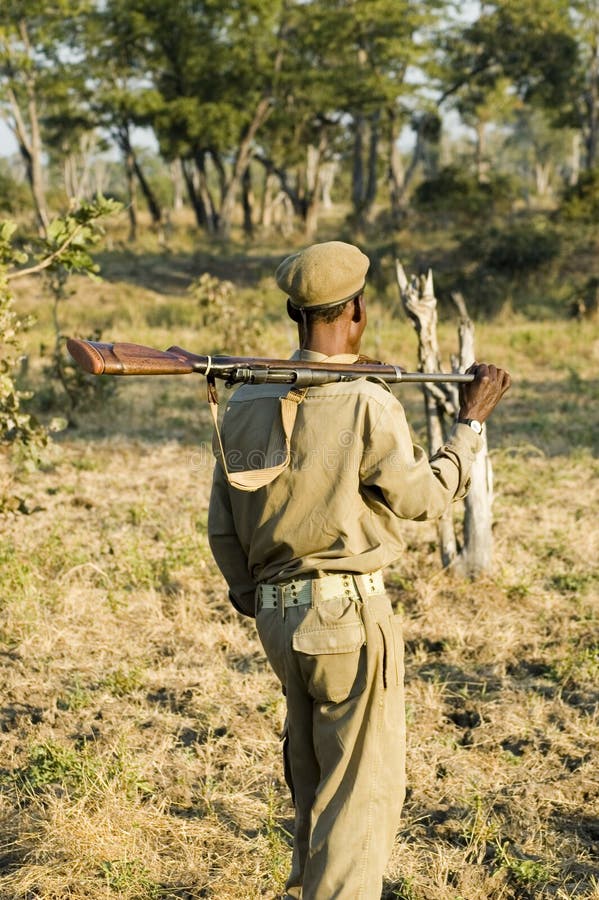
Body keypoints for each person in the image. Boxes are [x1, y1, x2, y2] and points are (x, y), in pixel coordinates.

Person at [208, 241, 511, 899]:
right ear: (358, 310)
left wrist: (258, 598)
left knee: (313, 792)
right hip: (346, 618)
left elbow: (222, 525)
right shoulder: (367, 403)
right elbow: (421, 499)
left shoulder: (243, 399)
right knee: (356, 805)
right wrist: (468, 428)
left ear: (295, 311)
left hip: (278, 623)